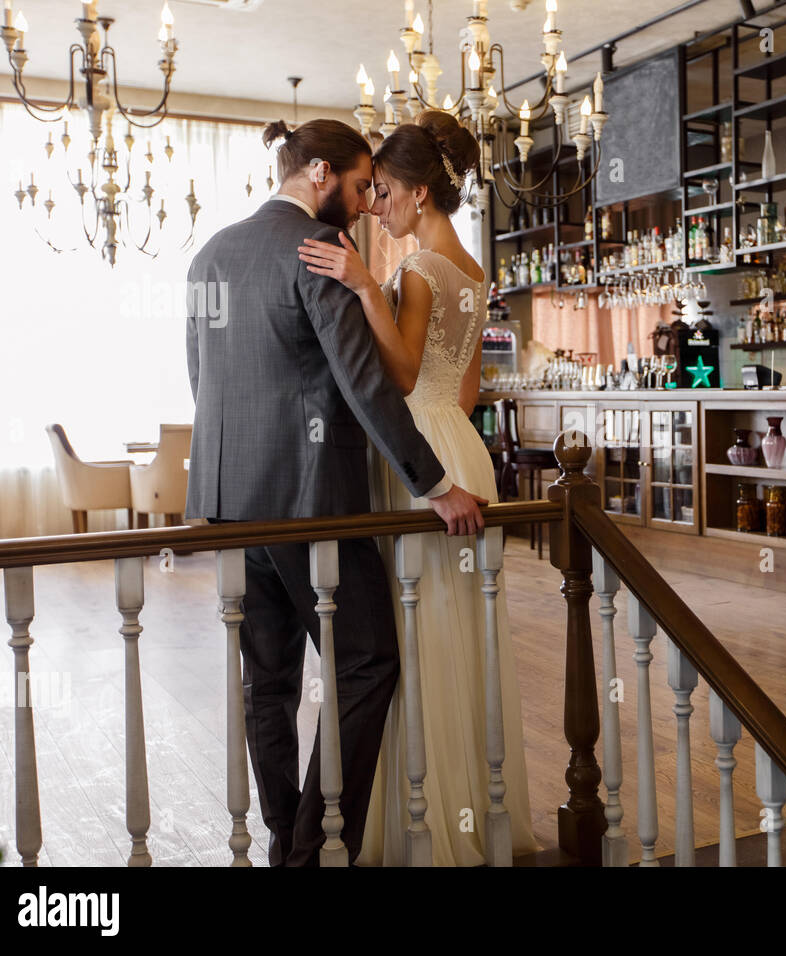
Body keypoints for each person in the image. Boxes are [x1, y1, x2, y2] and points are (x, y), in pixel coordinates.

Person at [184, 117, 487, 867]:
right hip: (315, 501)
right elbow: (367, 385)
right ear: (319, 174)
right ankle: (317, 850)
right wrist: (435, 483)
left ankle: (287, 839)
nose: (361, 206)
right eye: (357, 188)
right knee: (366, 663)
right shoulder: (321, 253)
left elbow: (203, 382)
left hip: (230, 504)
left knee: (270, 683)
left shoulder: (209, 255)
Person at [297, 110, 537, 865]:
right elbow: (463, 393)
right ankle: (472, 808)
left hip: (418, 461)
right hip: (461, 449)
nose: (378, 206)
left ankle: (414, 822)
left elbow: (400, 376)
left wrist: (367, 286)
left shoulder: (417, 273)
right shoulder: (475, 272)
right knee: (453, 625)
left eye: (389, 193)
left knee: (407, 630)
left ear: (422, 194)